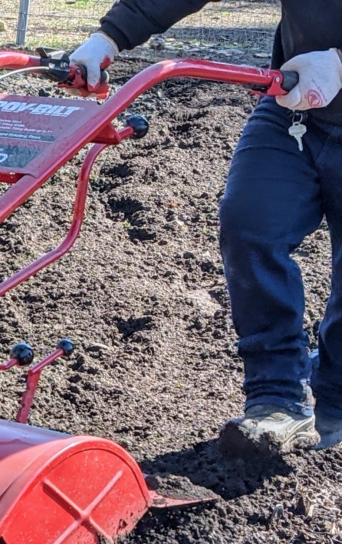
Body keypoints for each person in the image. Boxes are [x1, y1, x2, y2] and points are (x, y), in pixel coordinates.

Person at [69, 1, 342, 455]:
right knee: (250, 222)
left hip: (321, 76)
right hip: (296, 108)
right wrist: (110, 36)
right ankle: (275, 395)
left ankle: (335, 396)